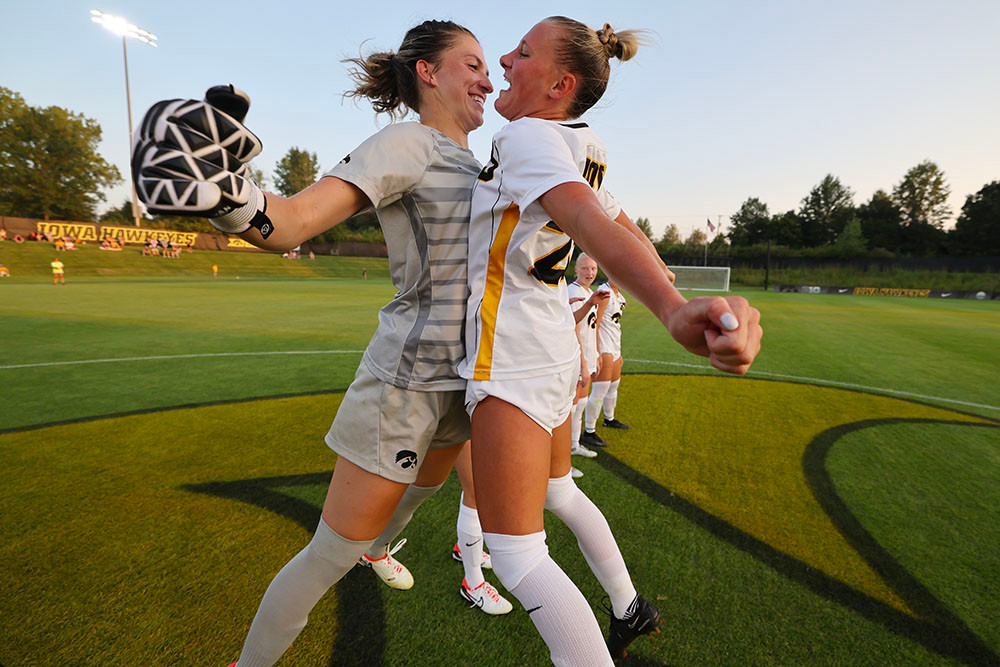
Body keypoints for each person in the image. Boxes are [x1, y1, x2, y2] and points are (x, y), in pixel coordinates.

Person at [132, 20, 497, 666]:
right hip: (406, 383)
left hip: (460, 382)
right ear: (428, 73)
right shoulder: (407, 144)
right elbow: (296, 220)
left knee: (413, 500)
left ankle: (380, 546)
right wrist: (231, 196)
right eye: (471, 64)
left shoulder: (479, 163)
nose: (487, 78)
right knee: (330, 553)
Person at [460, 17, 762, 666]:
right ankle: (627, 605)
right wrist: (668, 290)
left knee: (517, 554)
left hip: (509, 357)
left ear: (560, 83)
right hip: (554, 355)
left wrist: (672, 307)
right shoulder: (582, 140)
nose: (505, 59)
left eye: (523, 52)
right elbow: (618, 219)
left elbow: (589, 218)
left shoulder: (527, 135)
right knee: (561, 491)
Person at [568, 253, 610, 456]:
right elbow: (573, 328)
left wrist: (597, 355)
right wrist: (584, 363)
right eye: (585, 268)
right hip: (576, 358)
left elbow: (592, 328)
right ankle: (564, 452)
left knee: (581, 402)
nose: (589, 273)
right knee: (572, 406)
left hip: (588, 357)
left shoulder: (589, 292)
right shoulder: (572, 292)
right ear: (575, 269)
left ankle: (574, 445)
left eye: (593, 269)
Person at [585, 278, 630, 435]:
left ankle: (609, 419)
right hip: (604, 345)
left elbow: (614, 325)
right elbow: (595, 324)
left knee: (613, 386)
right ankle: (589, 431)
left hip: (615, 345)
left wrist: (619, 351)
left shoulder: (619, 294)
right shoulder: (605, 293)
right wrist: (596, 352)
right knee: (600, 389)